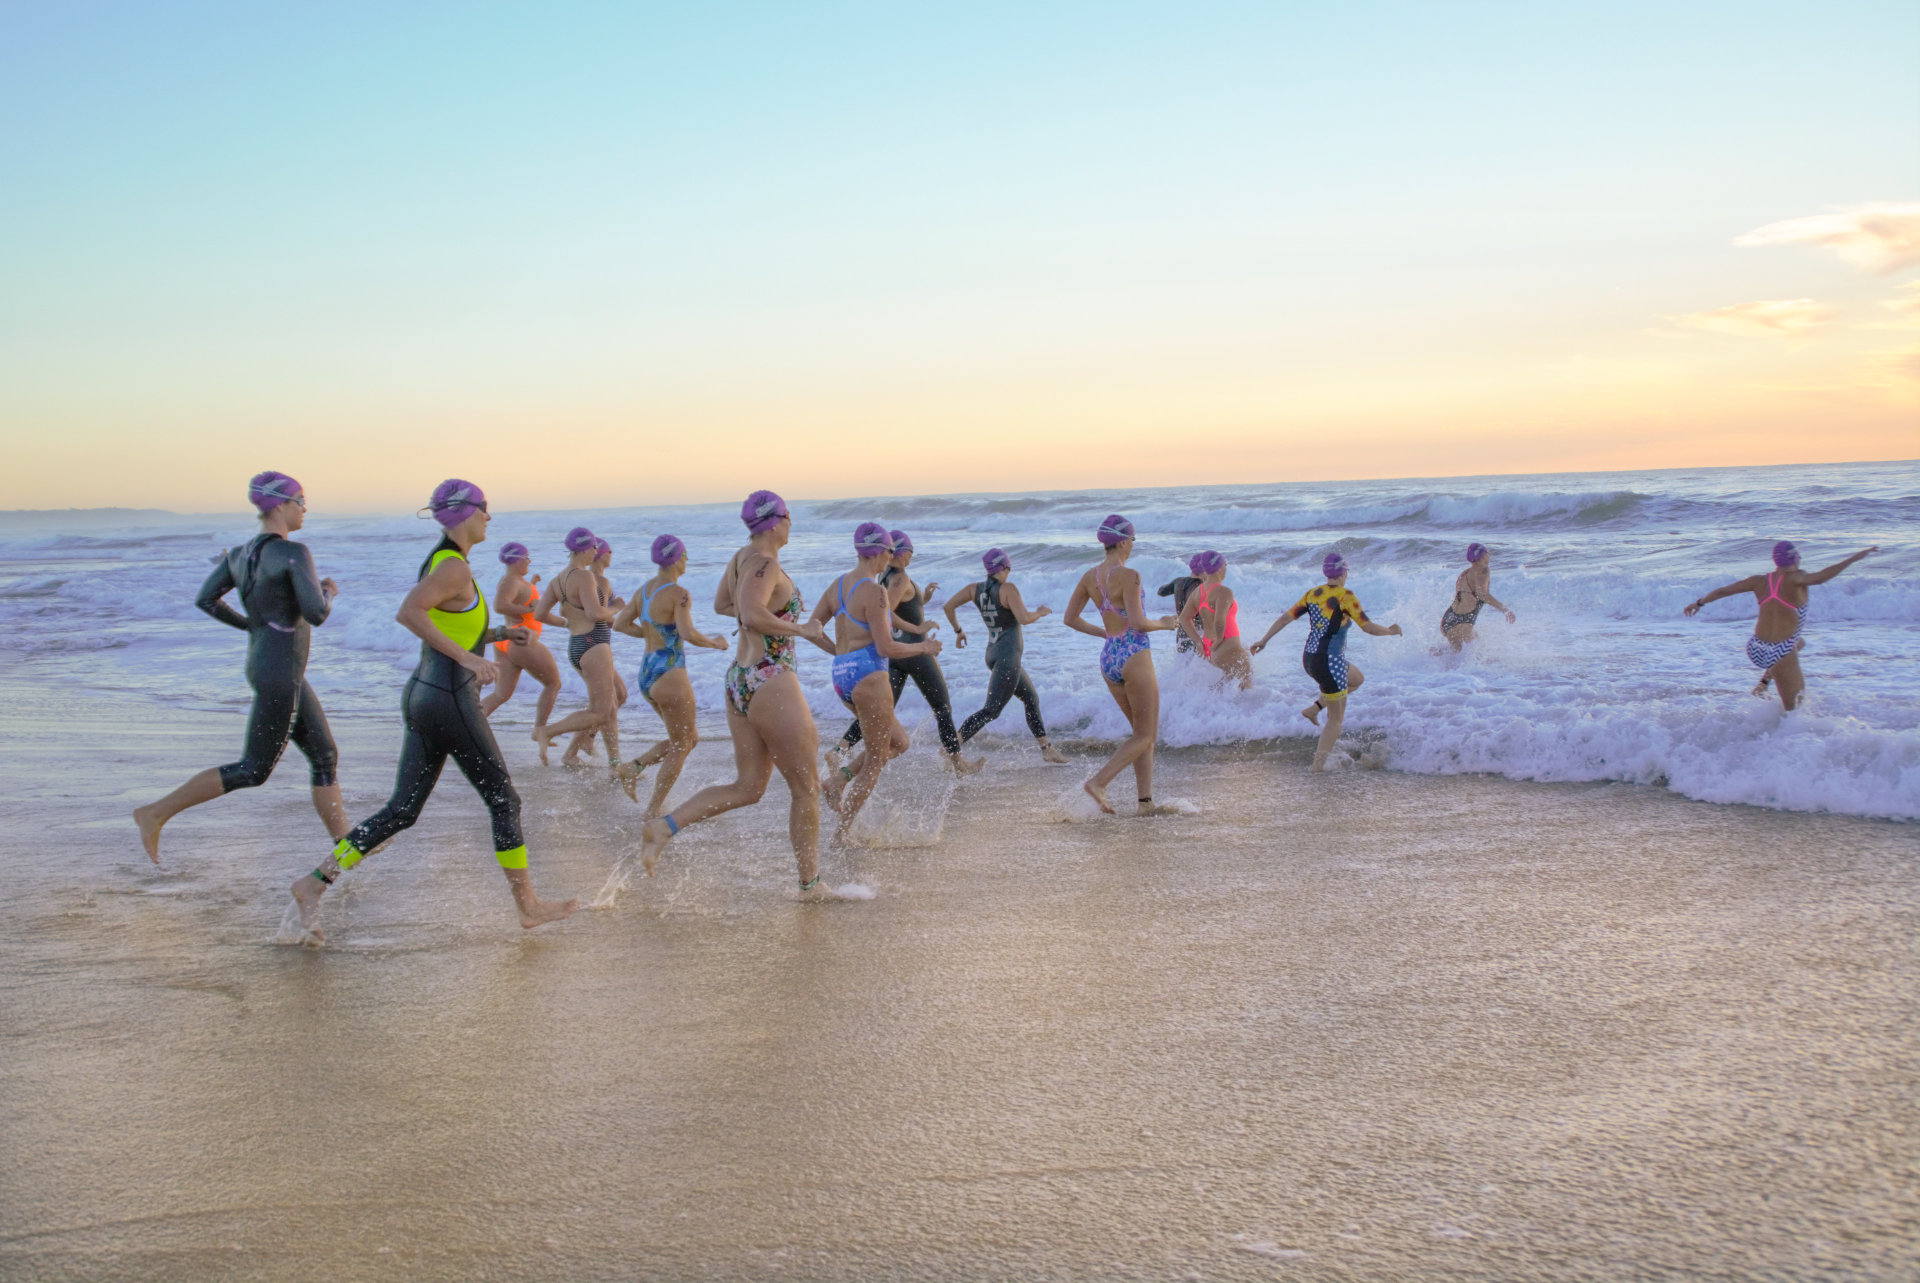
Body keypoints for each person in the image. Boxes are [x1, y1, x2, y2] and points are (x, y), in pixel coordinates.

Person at [288, 479, 576, 941]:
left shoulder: (448, 563)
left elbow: (447, 625)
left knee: (401, 810)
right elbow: (409, 613)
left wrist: (497, 635)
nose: (489, 517)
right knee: (504, 800)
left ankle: (313, 883)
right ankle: (528, 905)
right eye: (485, 509)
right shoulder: (453, 569)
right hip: (447, 697)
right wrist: (469, 658)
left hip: (427, 695)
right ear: (466, 513)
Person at [634, 491, 856, 899]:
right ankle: (810, 885)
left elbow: (725, 603)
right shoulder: (767, 563)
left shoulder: (741, 558)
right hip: (770, 678)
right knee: (806, 788)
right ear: (775, 521)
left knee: (749, 787)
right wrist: (799, 628)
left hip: (740, 679)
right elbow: (750, 613)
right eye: (788, 516)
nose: (791, 523)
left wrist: (763, 615)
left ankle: (663, 827)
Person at [135, 471, 346, 862]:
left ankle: (346, 847)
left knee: (324, 756)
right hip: (280, 672)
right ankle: (154, 813)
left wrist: (252, 625)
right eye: (301, 500)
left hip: (271, 664)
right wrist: (328, 591)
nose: (304, 508)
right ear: (281, 504)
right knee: (254, 769)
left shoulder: (238, 554)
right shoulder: (293, 553)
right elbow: (316, 614)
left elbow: (207, 600)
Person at [814, 523, 947, 838]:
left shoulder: (838, 585)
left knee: (899, 743)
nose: (891, 556)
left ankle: (839, 780)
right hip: (869, 675)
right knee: (876, 759)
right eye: (890, 550)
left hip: (841, 675)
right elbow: (886, 647)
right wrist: (924, 647)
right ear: (881, 551)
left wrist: (840, 653)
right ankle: (842, 832)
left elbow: (811, 627)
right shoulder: (875, 592)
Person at [830, 529, 981, 776]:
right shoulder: (900, 578)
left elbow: (895, 607)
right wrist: (917, 629)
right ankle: (957, 763)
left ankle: (840, 749)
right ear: (904, 552)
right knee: (942, 706)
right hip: (915, 653)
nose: (912, 556)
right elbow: (886, 611)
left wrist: (924, 597)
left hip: (897, 656)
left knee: (883, 711)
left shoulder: (886, 576)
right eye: (911, 551)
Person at [1061, 515, 1182, 815]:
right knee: (1147, 735)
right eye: (1133, 540)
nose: (1132, 546)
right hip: (1133, 652)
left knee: (1140, 735)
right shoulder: (1130, 575)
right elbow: (1139, 622)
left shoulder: (1090, 576)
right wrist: (1165, 624)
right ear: (1125, 541)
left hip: (1109, 656)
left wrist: (1105, 633)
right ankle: (1099, 783)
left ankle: (1145, 803)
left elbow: (1070, 619)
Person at [1250, 552, 1403, 772]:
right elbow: (1367, 627)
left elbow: (1286, 617)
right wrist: (1390, 631)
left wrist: (1264, 640)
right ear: (1344, 572)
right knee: (1335, 720)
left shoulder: (1313, 594)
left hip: (1310, 659)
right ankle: (1317, 766)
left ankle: (1314, 708)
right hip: (1329, 663)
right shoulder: (1345, 596)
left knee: (1357, 679)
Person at [610, 534, 727, 819]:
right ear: (676, 558)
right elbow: (686, 633)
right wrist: (715, 642)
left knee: (686, 739)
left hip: (648, 673)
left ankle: (633, 768)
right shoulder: (679, 594)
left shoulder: (644, 590)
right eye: (686, 555)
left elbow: (619, 624)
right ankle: (652, 810)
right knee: (683, 743)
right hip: (670, 675)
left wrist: (650, 634)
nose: (687, 560)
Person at [1684, 540, 1877, 711]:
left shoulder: (1759, 581)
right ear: (1795, 559)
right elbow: (1821, 577)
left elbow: (1723, 591)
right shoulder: (1797, 579)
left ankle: (1763, 683)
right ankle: (1777, 746)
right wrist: (1854, 558)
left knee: (1799, 643)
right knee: (1795, 714)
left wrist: (1699, 603)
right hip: (1779, 652)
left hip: (1755, 647)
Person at [944, 548, 1068, 762]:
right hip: (1007, 657)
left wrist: (958, 631)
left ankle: (1047, 749)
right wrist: (1040, 612)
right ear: (1006, 567)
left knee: (1031, 698)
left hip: (993, 653)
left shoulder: (974, 589)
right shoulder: (1008, 588)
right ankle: (951, 747)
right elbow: (1024, 618)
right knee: (991, 710)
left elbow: (948, 606)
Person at [532, 528, 626, 774]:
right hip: (593, 643)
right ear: (585, 548)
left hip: (576, 645)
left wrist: (564, 623)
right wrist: (616, 607)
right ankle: (547, 731)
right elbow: (596, 614)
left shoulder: (558, 580)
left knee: (608, 705)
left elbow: (539, 614)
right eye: (594, 547)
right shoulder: (585, 577)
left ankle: (613, 764)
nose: (596, 552)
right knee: (602, 710)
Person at [478, 541, 563, 740]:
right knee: (553, 683)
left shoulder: (514, 581)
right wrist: (529, 609)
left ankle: (468, 726)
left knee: (501, 694)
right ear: (517, 559)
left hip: (507, 642)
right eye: (526, 558)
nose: (529, 561)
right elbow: (500, 605)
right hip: (521, 638)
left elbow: (519, 598)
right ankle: (540, 730)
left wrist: (533, 585)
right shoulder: (511, 582)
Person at [1177, 550, 1253, 688]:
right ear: (1219, 567)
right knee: (1246, 684)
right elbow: (1219, 620)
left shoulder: (1198, 592)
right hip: (1227, 646)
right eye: (1225, 564)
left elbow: (1183, 618)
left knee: (1227, 683)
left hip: (1209, 649)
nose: (1226, 568)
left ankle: (1209, 705)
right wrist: (1218, 639)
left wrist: (1199, 643)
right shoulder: (1224, 592)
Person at [1439, 542, 1516, 650]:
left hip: (1448, 619)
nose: (1489, 555)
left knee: (1457, 656)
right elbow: (1482, 595)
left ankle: (1434, 654)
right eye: (1488, 552)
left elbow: (1462, 599)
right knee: (1475, 654)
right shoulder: (1483, 570)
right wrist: (1504, 609)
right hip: (1462, 622)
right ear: (1483, 555)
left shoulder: (1465, 573)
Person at [1157, 573, 1204, 655]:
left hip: (1182, 633)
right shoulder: (1202, 586)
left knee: (1182, 664)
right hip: (1198, 633)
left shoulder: (1178, 582)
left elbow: (1161, 592)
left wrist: (1176, 587)